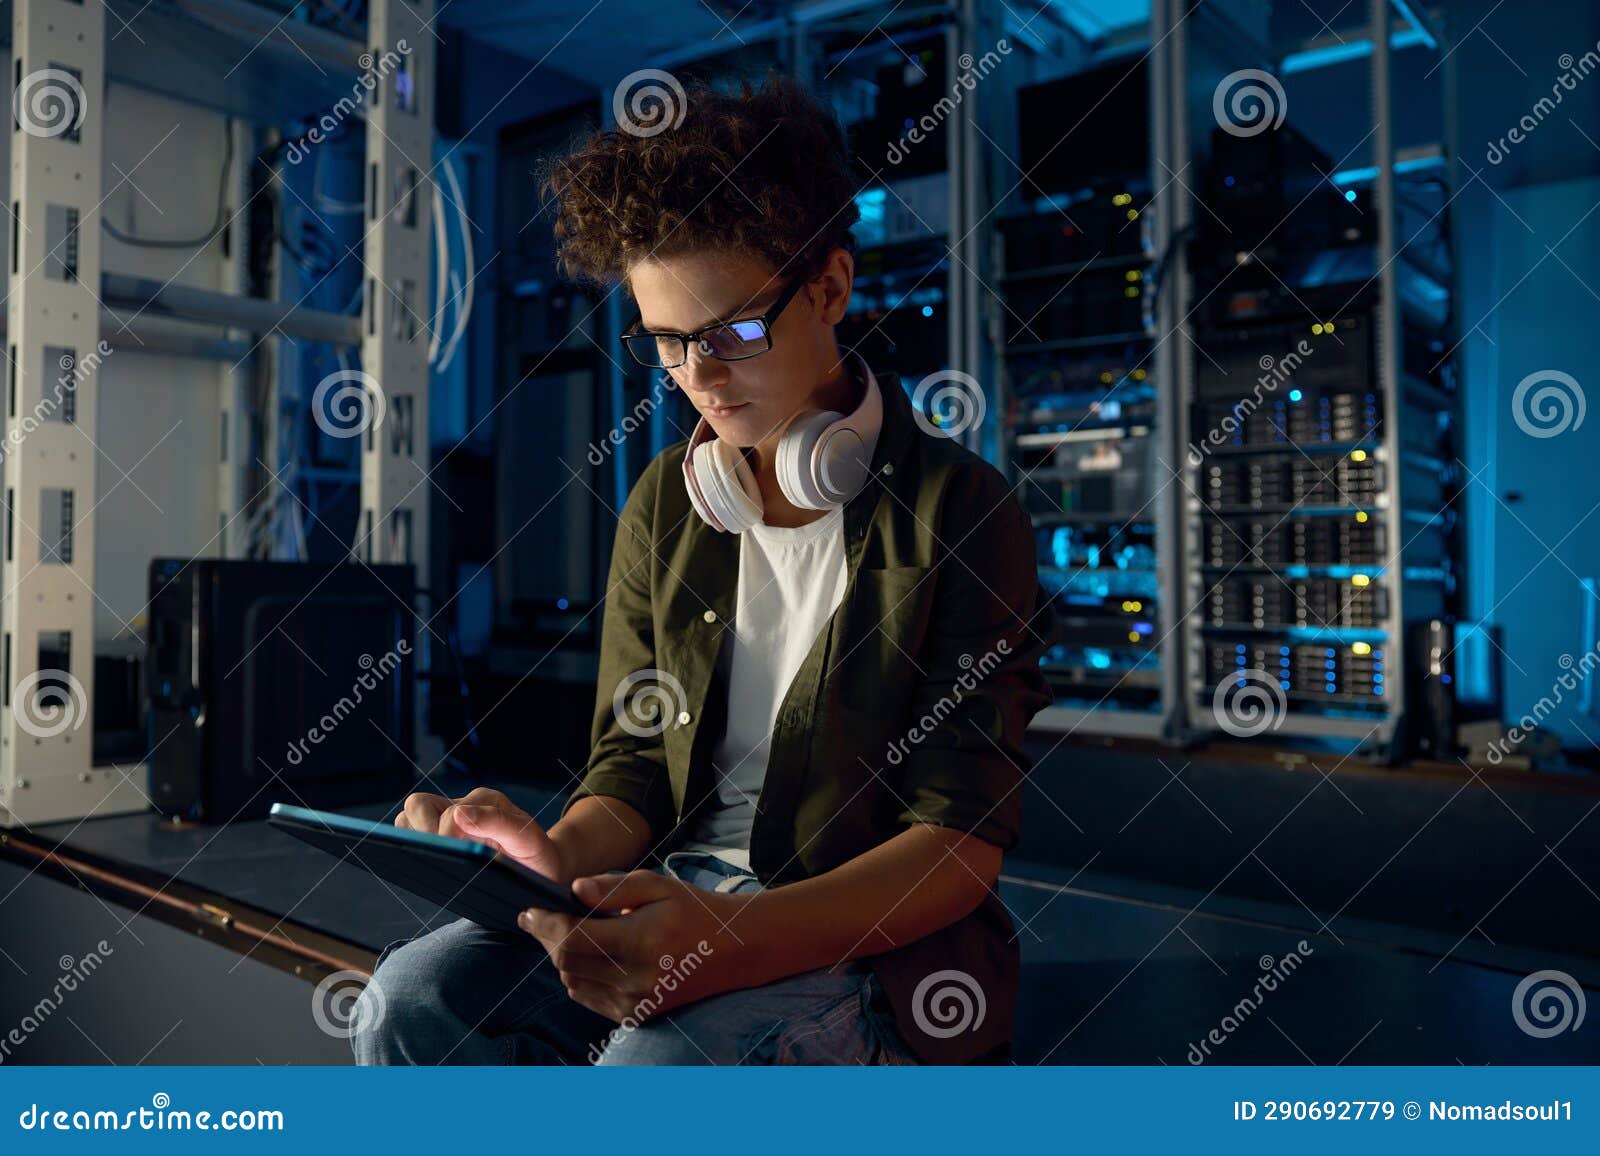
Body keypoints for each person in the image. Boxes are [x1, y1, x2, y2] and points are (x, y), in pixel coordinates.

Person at [352, 69, 1053, 1067]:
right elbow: (632, 766)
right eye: (667, 342)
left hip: (863, 949)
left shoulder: (965, 511)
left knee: (657, 1068)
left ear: (831, 288)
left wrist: (730, 942)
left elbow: (958, 847)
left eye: (731, 333)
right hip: (671, 898)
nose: (698, 378)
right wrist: (548, 856)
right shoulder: (665, 503)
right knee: (405, 1001)